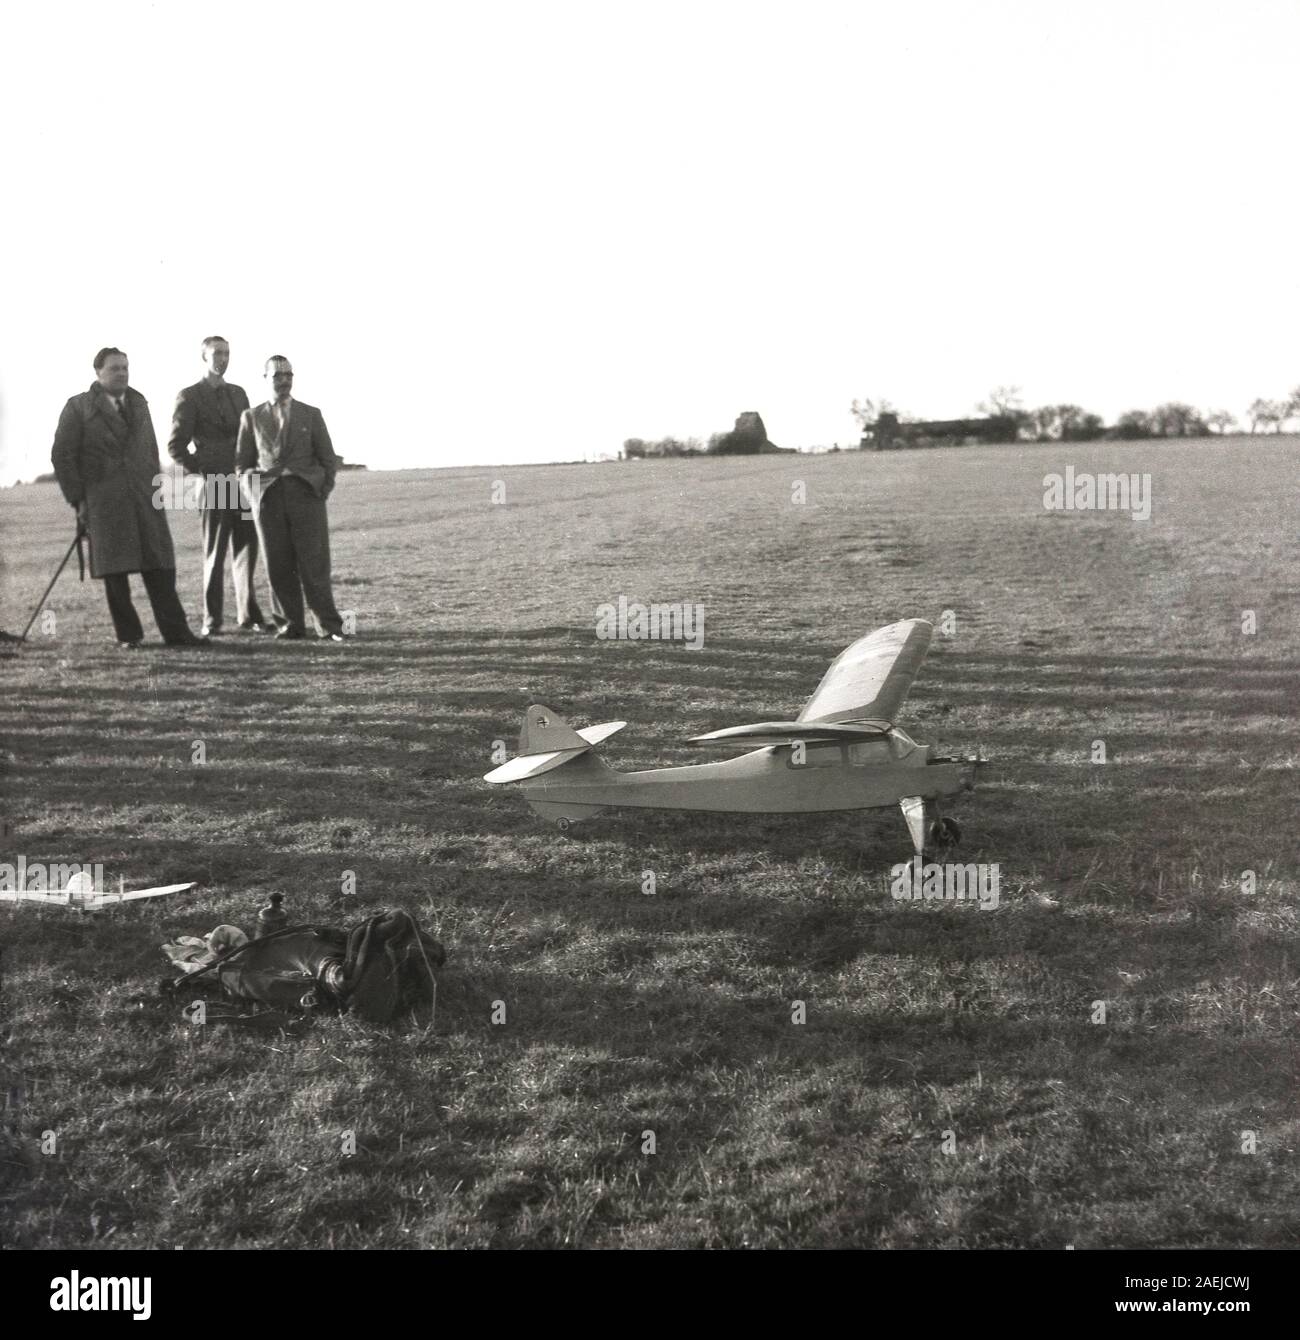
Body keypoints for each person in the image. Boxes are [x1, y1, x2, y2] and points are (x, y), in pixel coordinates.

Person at [51, 348, 208, 649]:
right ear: (98, 373)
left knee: (160, 565)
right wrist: (79, 500)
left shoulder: (138, 402)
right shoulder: (78, 407)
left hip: (144, 496)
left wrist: (154, 487)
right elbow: (62, 456)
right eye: (114, 369)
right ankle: (130, 636)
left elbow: (150, 450)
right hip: (104, 501)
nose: (121, 373)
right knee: (115, 573)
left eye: (125, 367)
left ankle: (177, 634)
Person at [235, 355, 347, 641]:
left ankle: (329, 626)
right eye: (277, 375)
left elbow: (327, 459)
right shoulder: (251, 417)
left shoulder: (311, 414)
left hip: (306, 496)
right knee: (277, 563)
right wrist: (254, 490)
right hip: (269, 499)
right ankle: (290, 625)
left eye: (288, 375)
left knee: (314, 563)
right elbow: (242, 464)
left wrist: (320, 490)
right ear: (266, 379)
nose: (283, 380)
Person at [167, 336, 273, 635]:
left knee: (247, 549)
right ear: (204, 357)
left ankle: (249, 615)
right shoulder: (189, 396)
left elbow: (251, 435)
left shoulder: (238, 394)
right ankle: (211, 621)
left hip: (243, 483)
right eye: (216, 354)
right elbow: (175, 445)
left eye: (226, 353)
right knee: (214, 553)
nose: (222, 359)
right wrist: (202, 470)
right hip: (213, 484)